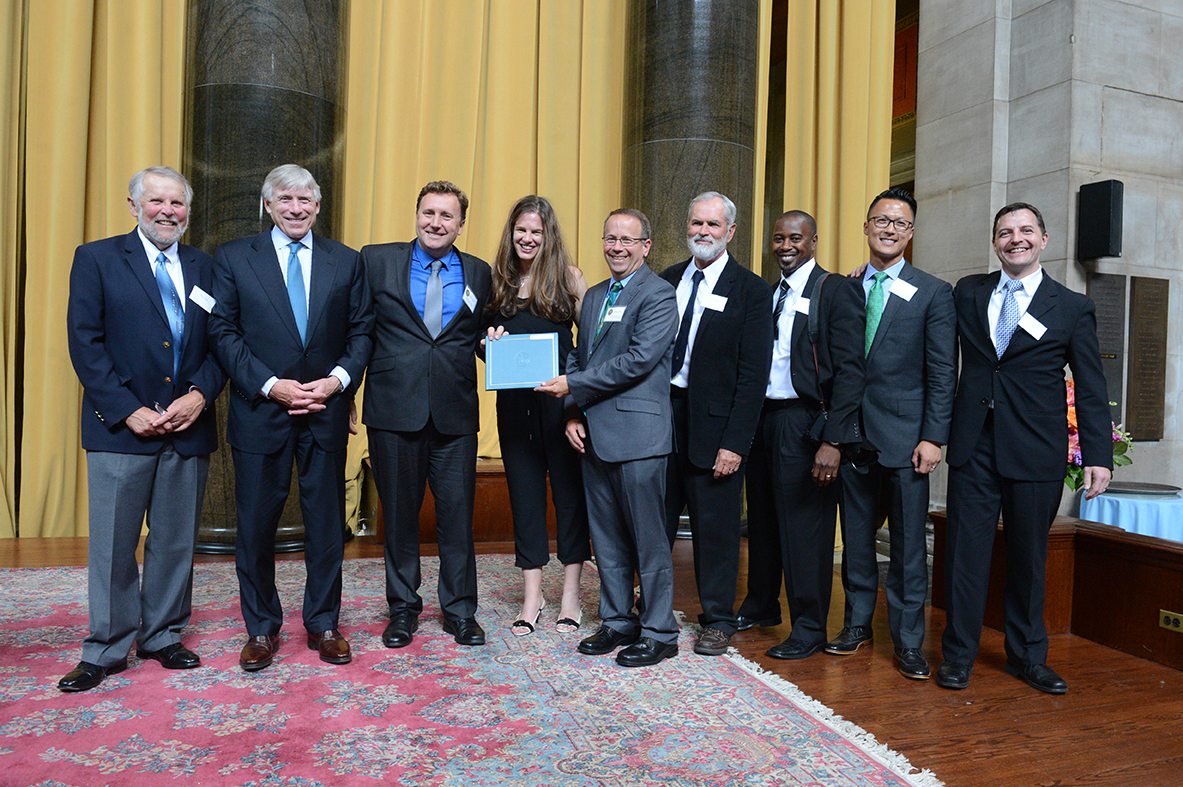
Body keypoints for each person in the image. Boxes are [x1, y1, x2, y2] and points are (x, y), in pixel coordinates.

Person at [62, 166, 226, 691]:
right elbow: (84, 343)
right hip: (121, 429)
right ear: (133, 205)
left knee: (175, 541)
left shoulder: (206, 266)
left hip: (187, 426)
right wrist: (126, 409)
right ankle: (106, 647)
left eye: (177, 204)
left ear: (187, 211)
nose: (167, 212)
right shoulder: (97, 258)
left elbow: (223, 342)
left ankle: (162, 635)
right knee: (113, 544)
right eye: (157, 201)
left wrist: (200, 395)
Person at [937, 202, 1112, 694]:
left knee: (1029, 559)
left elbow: (1091, 385)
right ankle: (958, 656)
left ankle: (1027, 657)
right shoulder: (967, 292)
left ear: (1044, 239)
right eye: (1005, 232)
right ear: (995, 242)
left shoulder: (1072, 306)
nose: (1016, 238)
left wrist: (1097, 454)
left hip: (1037, 449)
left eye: (1025, 230)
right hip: (974, 445)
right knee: (964, 558)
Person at [209, 164, 374, 671]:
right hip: (261, 412)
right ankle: (261, 628)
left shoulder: (346, 261)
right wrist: (271, 385)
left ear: (318, 206)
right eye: (286, 199)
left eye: (305, 199)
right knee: (255, 525)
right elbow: (222, 331)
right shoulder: (235, 257)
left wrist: (338, 382)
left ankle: (324, 623)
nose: (297, 208)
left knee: (327, 526)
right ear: (269, 205)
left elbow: (362, 332)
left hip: (324, 412)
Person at [537, 208, 680, 667]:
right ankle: (619, 621)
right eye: (610, 238)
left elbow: (638, 360)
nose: (616, 247)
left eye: (627, 240)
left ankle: (660, 630)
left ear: (645, 247)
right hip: (593, 435)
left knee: (648, 539)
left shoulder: (659, 295)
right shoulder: (595, 295)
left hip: (640, 436)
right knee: (607, 539)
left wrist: (572, 386)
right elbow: (580, 356)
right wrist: (573, 410)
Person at [361, 181, 493, 648]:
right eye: (428, 213)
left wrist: (492, 343)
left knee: (458, 518)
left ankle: (460, 611)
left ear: (461, 224)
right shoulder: (375, 261)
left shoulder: (479, 273)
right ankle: (402, 610)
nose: (436, 223)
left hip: (455, 415)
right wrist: (343, 393)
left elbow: (479, 336)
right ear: (416, 214)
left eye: (447, 216)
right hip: (393, 411)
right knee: (398, 516)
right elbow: (357, 331)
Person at [831, 188, 955, 680]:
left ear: (910, 233)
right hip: (852, 435)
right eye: (880, 220)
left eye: (899, 223)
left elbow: (943, 372)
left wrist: (935, 436)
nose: (888, 229)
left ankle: (907, 643)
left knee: (906, 547)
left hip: (907, 439)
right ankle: (857, 625)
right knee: (857, 539)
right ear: (865, 227)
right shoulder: (844, 287)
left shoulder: (933, 292)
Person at [735, 210, 866, 660]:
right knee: (764, 521)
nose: (785, 246)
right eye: (778, 238)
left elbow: (851, 372)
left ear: (813, 241)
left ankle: (809, 627)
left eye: (796, 237)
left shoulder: (835, 290)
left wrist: (833, 440)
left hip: (805, 423)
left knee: (805, 529)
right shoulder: (769, 293)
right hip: (763, 419)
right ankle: (761, 605)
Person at [659, 192, 772, 656]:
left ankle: (718, 620)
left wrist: (736, 443)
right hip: (662, 423)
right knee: (654, 526)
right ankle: (652, 612)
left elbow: (753, 376)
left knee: (717, 532)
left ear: (730, 232)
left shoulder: (751, 290)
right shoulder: (666, 281)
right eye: (696, 223)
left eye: (712, 225)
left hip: (717, 432)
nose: (702, 232)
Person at [486, 196, 590, 636]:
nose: (528, 238)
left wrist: (577, 407)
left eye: (537, 231)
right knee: (524, 499)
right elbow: (480, 344)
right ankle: (533, 596)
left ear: (549, 236)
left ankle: (570, 594)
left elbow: (592, 347)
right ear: (511, 234)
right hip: (513, 410)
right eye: (521, 230)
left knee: (570, 499)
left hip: (561, 410)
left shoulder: (569, 279)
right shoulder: (497, 282)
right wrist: (487, 343)